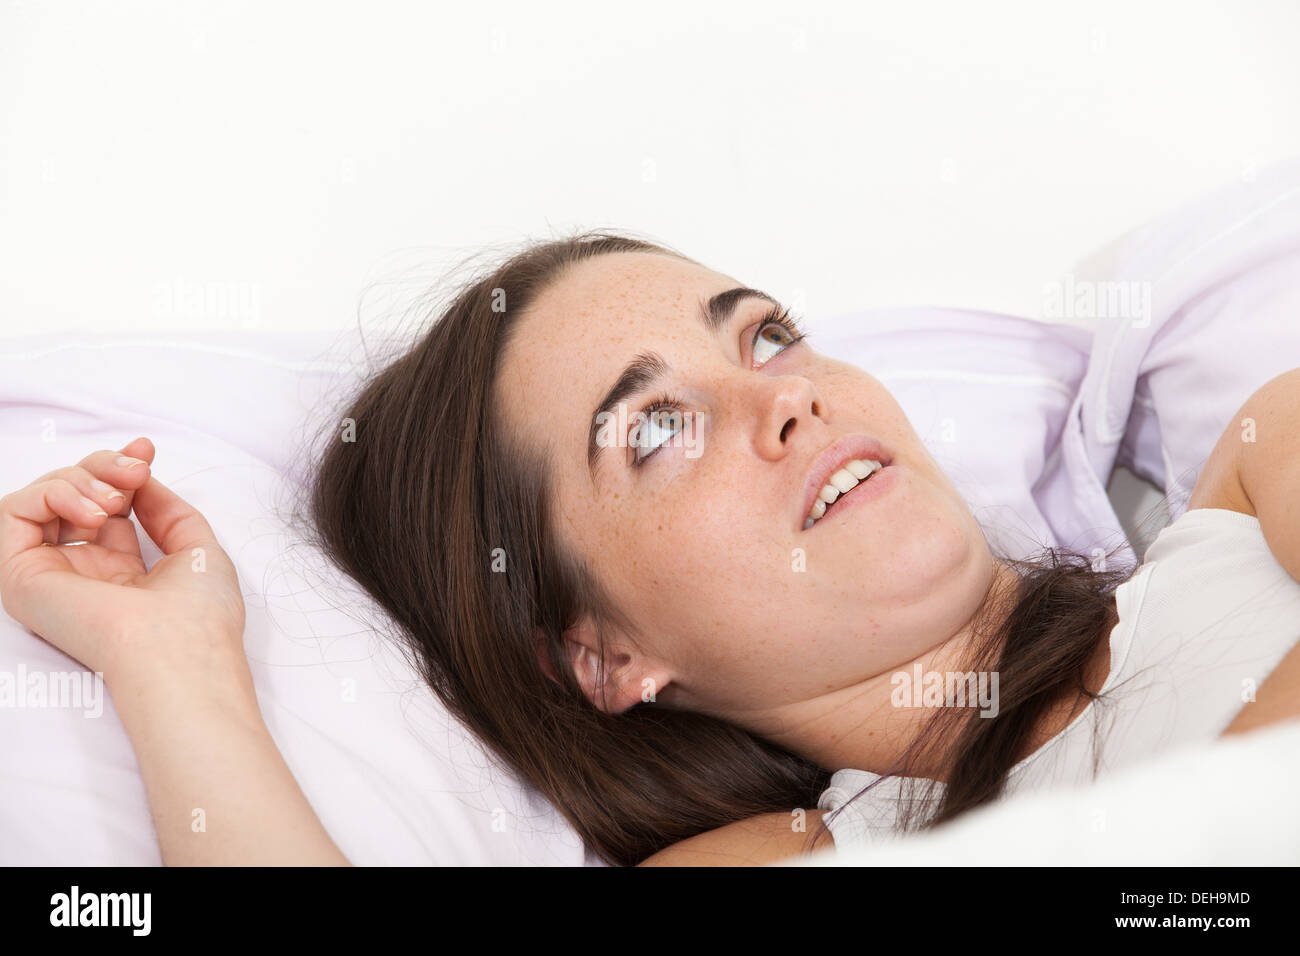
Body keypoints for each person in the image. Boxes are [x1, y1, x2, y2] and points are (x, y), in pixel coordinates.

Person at [3, 230, 1298, 867]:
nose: (783, 398)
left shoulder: (1257, 460)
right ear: (604, 654)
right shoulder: (774, 858)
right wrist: (168, 661)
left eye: (769, 337)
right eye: (656, 428)